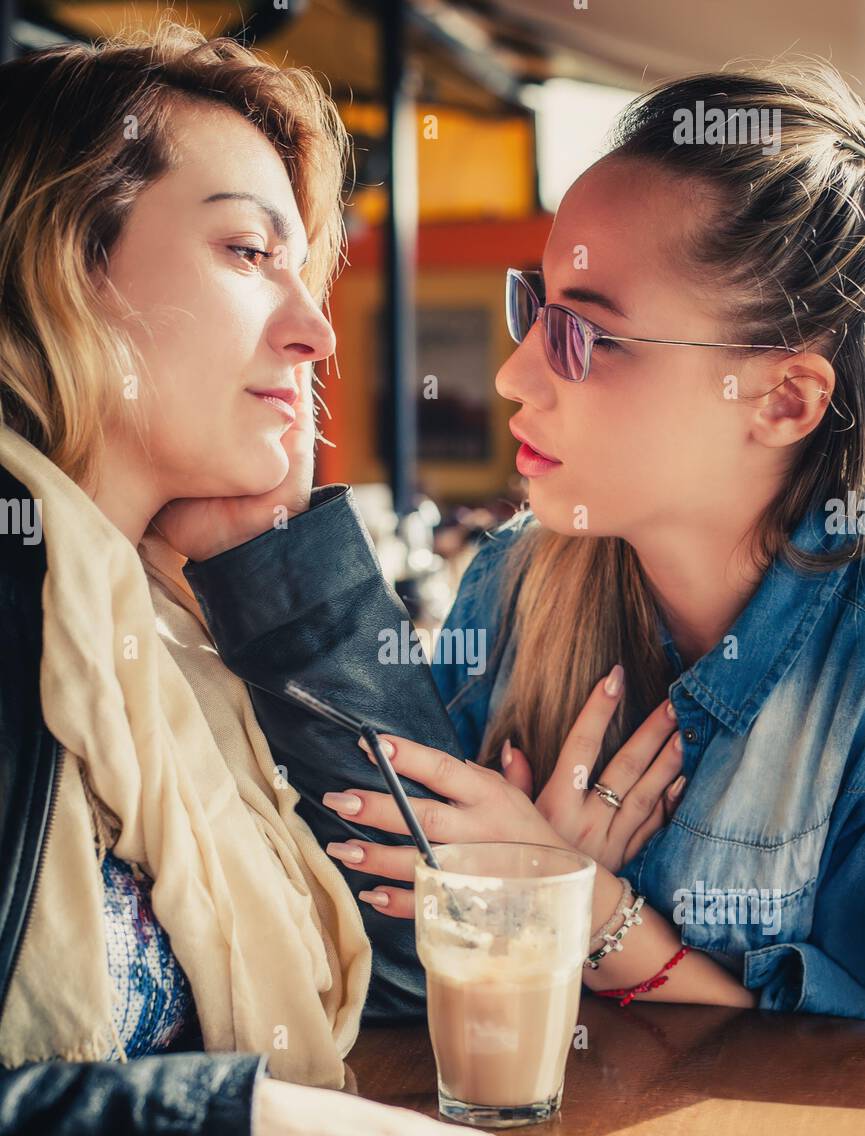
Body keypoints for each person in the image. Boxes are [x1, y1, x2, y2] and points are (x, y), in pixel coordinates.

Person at [0, 21, 638, 1136]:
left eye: (307, 269)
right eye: (247, 250)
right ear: (62, 267)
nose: (317, 333)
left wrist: (277, 572)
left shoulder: (167, 625)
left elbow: (407, 979)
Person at [324, 58, 865, 1021]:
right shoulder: (510, 586)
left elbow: (833, 1101)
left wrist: (586, 916)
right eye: (530, 308)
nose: (513, 377)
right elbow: (392, 995)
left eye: (583, 335)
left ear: (783, 400)